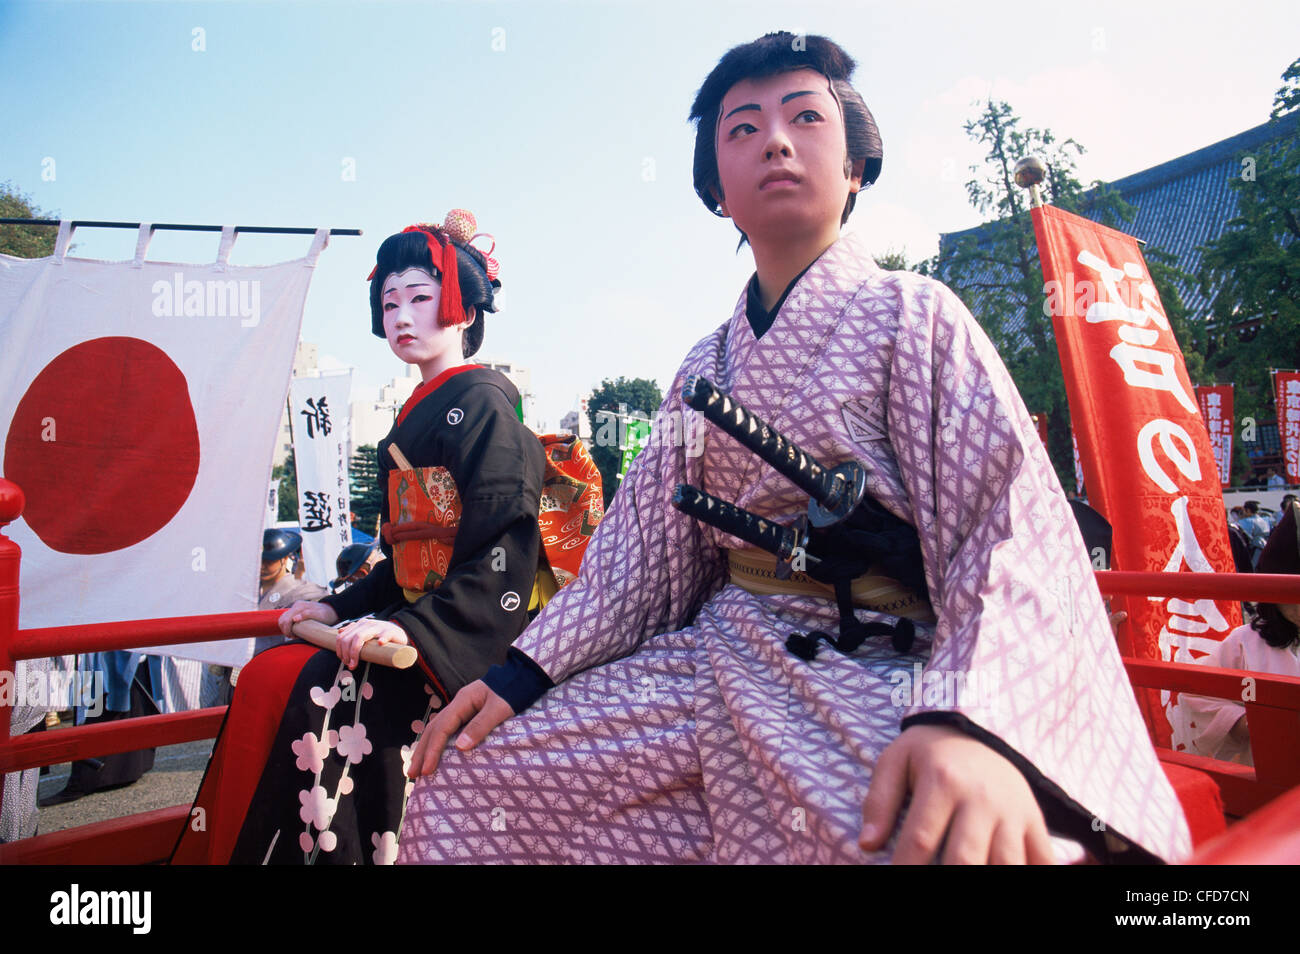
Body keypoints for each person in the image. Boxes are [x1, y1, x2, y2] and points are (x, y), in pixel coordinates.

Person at [397, 33, 1190, 864]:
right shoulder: (704, 365)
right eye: (742, 129)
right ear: (718, 191)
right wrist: (523, 675)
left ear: (853, 168)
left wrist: (969, 719)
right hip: (717, 658)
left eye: (805, 117)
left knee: (902, 838)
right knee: (467, 782)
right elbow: (638, 562)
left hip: (892, 661)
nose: (775, 140)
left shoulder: (915, 316)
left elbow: (1008, 533)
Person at [172, 213, 544, 864]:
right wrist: (338, 606)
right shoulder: (411, 412)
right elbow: (400, 559)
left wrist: (417, 631)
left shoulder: (485, 402)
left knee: (306, 687)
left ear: (464, 306)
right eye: (389, 301)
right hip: (417, 621)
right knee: (268, 675)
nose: (402, 316)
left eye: (422, 298)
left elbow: (501, 551)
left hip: (461, 640)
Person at [1183, 502, 1300, 764]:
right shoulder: (1246, 641)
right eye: (1291, 597)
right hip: (1270, 765)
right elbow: (1198, 692)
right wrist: (1244, 722)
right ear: (1272, 594)